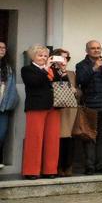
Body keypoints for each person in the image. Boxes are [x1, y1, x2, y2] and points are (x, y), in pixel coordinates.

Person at [20, 45, 63, 180]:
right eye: (40, 55)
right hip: (36, 107)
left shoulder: (52, 69)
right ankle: (31, 171)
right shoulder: (27, 70)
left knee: (52, 139)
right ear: (33, 56)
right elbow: (34, 83)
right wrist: (45, 70)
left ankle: (50, 170)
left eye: (45, 56)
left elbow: (62, 84)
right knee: (35, 138)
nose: (43, 58)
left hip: (53, 107)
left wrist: (62, 71)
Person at [76, 40, 102, 174]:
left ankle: (100, 165)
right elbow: (81, 80)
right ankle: (89, 166)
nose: (96, 50)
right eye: (93, 48)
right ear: (87, 51)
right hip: (91, 105)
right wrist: (93, 68)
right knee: (90, 136)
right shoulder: (81, 65)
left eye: (98, 48)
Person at [50, 48, 80, 176]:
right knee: (58, 138)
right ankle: (57, 166)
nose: (64, 61)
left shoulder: (72, 74)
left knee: (69, 138)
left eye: (66, 58)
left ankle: (68, 166)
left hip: (70, 110)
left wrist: (75, 91)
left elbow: (79, 92)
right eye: (62, 58)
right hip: (56, 109)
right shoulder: (50, 72)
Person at [0, 41, 17, 160]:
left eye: (4, 47)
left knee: (1, 134)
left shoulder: (8, 67)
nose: (2, 49)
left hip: (3, 106)